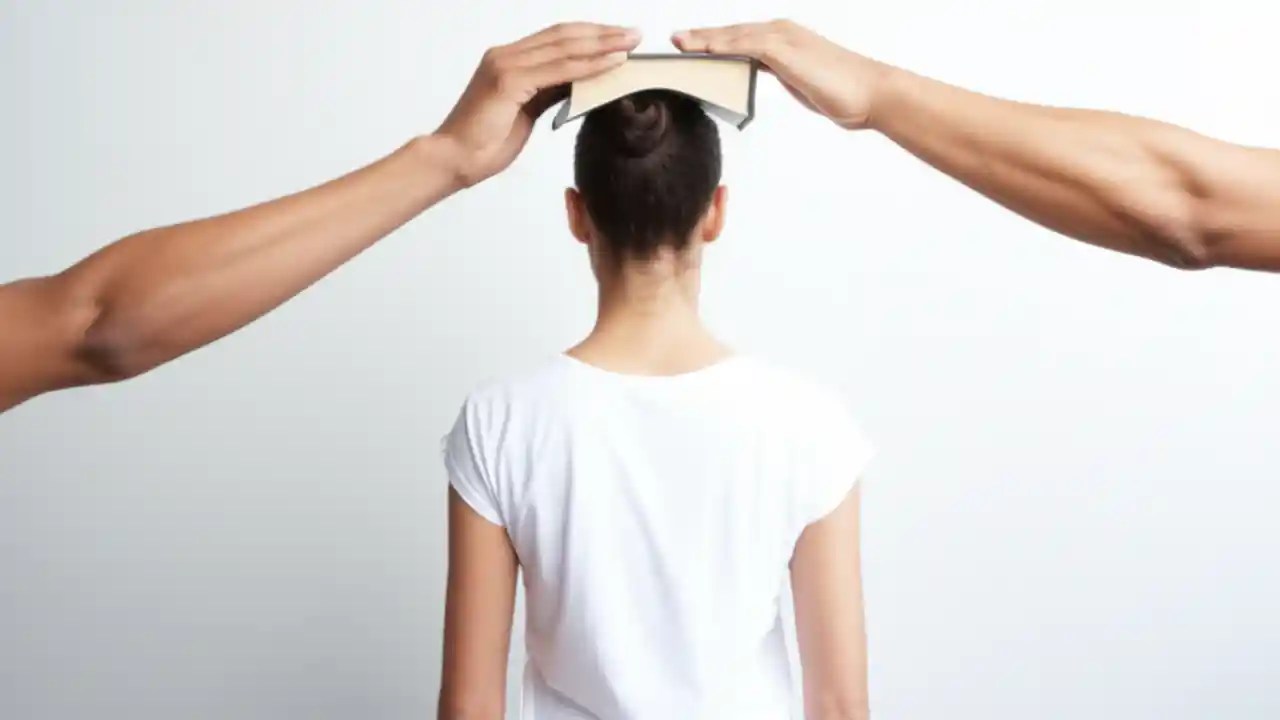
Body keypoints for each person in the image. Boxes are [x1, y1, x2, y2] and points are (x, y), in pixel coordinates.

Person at [439, 90, 875, 719]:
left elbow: (469, 706)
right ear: (716, 212)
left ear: (578, 214)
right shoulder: (809, 422)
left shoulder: (499, 423)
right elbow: (839, 706)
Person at [0, 23, 642, 414]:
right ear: (714, 213)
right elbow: (91, 327)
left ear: (578, 215)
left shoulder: (511, 419)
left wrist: (446, 159)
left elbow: (95, 327)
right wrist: (442, 161)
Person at [673, 20, 1280, 272]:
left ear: (576, 211)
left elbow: (1188, 205)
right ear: (714, 211)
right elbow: (1186, 204)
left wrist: (879, 96)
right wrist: (876, 96)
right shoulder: (805, 434)